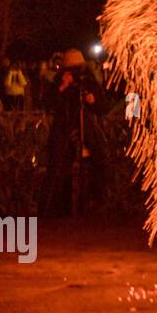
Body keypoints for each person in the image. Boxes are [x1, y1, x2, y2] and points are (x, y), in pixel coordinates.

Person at [40, 48, 111, 216]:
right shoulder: (58, 81)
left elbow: (103, 105)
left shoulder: (88, 81)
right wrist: (62, 87)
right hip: (63, 126)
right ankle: (54, 208)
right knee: (58, 165)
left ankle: (95, 200)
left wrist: (93, 100)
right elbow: (48, 103)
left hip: (85, 125)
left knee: (101, 154)